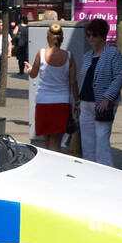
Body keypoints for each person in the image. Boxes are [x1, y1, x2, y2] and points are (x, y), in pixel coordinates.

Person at [78, 17, 122, 167]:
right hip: (85, 103)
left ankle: (106, 171)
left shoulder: (112, 53)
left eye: (94, 35)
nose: (91, 38)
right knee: (87, 141)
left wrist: (107, 98)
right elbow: (84, 79)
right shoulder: (87, 56)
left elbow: (119, 76)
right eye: (89, 35)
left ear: (102, 36)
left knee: (101, 139)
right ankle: (90, 170)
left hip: (103, 103)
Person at [29, 22, 77, 154]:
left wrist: (29, 69)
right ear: (61, 38)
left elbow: (33, 74)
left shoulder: (41, 53)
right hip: (61, 103)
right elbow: (73, 82)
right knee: (56, 142)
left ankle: (48, 170)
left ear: (48, 37)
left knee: (47, 141)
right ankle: (54, 169)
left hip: (43, 102)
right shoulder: (68, 56)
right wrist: (77, 102)